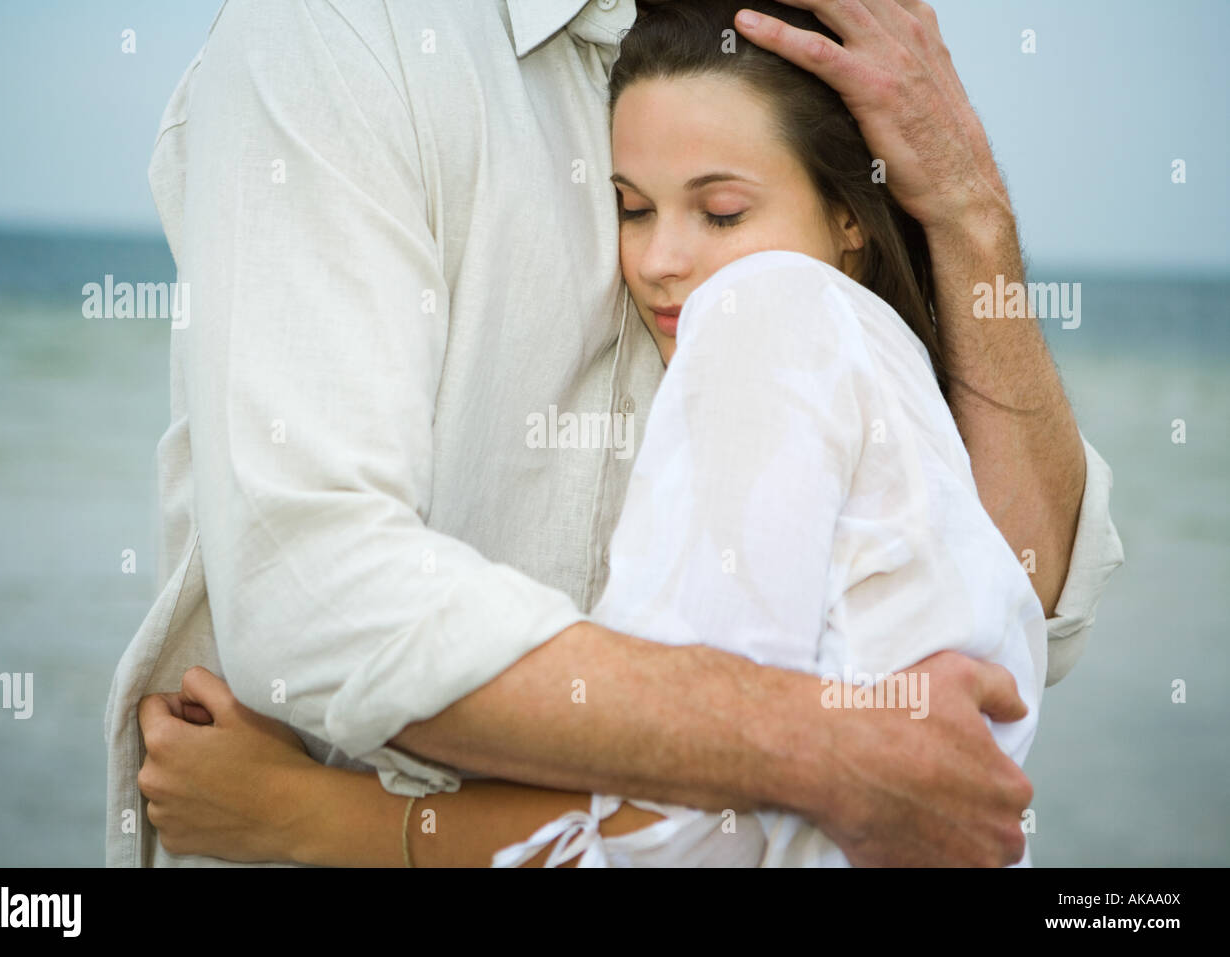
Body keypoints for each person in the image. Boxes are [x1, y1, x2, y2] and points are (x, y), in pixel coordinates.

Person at [113, 0, 1123, 868]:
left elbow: (1022, 609)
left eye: (721, 210)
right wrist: (823, 748)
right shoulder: (345, 38)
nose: (660, 260)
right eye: (630, 210)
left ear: (849, 217)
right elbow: (316, 585)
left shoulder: (773, 279)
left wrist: (962, 198)